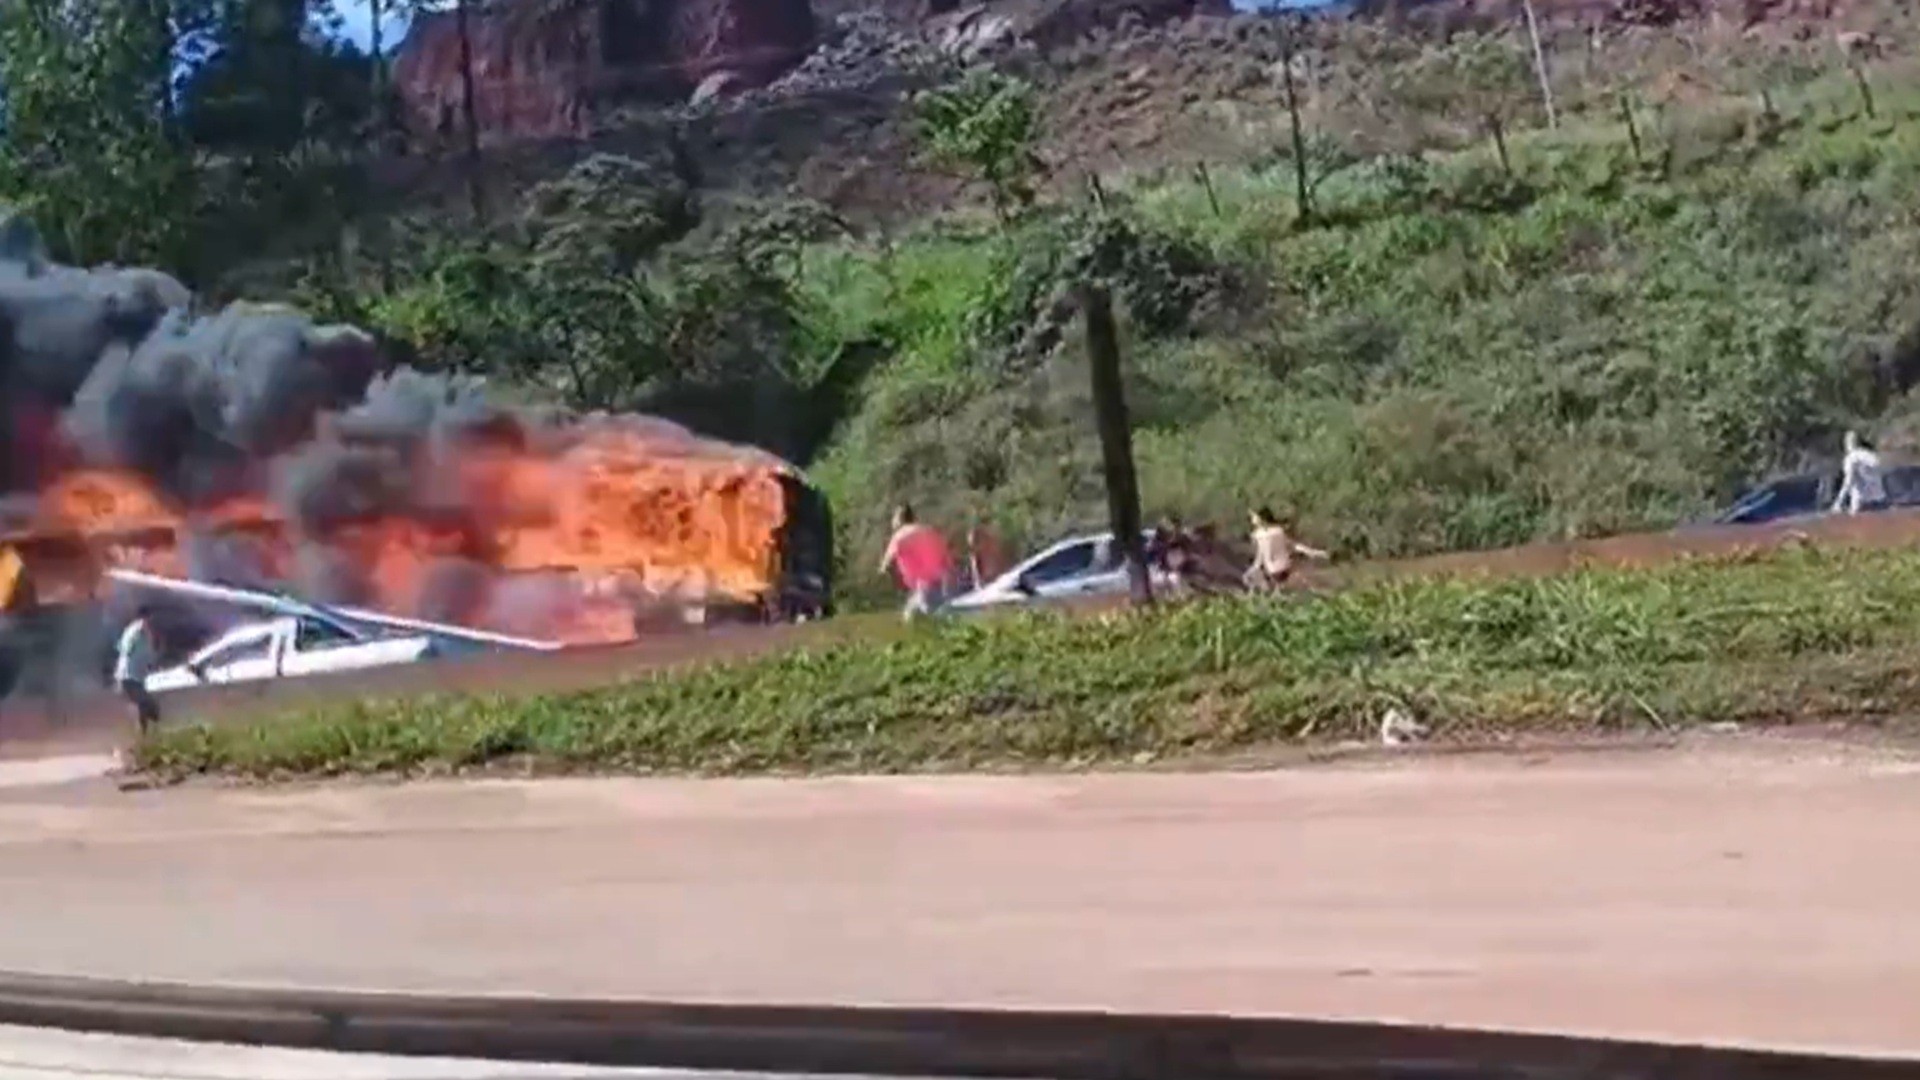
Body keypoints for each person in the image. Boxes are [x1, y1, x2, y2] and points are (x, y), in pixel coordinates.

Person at [879, 505, 954, 621]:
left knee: (912, 621)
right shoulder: (930, 531)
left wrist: (899, 587)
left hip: (924, 589)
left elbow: (885, 568)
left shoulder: (899, 536)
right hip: (946, 586)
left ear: (898, 520)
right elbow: (948, 561)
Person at [1244, 507, 1330, 591]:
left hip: (1273, 571)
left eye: (1253, 516)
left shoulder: (1259, 535)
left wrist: (1254, 568)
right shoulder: (1279, 530)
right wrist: (1313, 552)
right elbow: (1293, 545)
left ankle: (1267, 593)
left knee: (1248, 579)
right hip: (1286, 568)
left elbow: (1261, 556)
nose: (1252, 519)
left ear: (1260, 519)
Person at [113, 605, 163, 735]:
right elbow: (124, 650)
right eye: (149, 619)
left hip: (138, 677)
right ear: (144, 618)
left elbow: (149, 654)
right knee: (146, 706)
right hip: (129, 676)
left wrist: (151, 665)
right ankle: (136, 737)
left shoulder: (146, 634)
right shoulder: (135, 631)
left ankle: (142, 737)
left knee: (143, 708)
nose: (150, 623)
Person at [1832, 430, 1888, 515]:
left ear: (1847, 444)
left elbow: (1848, 481)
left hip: (1862, 502)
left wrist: (1839, 502)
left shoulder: (1851, 459)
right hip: (1879, 498)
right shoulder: (1870, 455)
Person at [966, 521, 1009, 590]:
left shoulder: (992, 548)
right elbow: (977, 579)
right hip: (988, 586)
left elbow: (1002, 565)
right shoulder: (976, 557)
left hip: (999, 581)